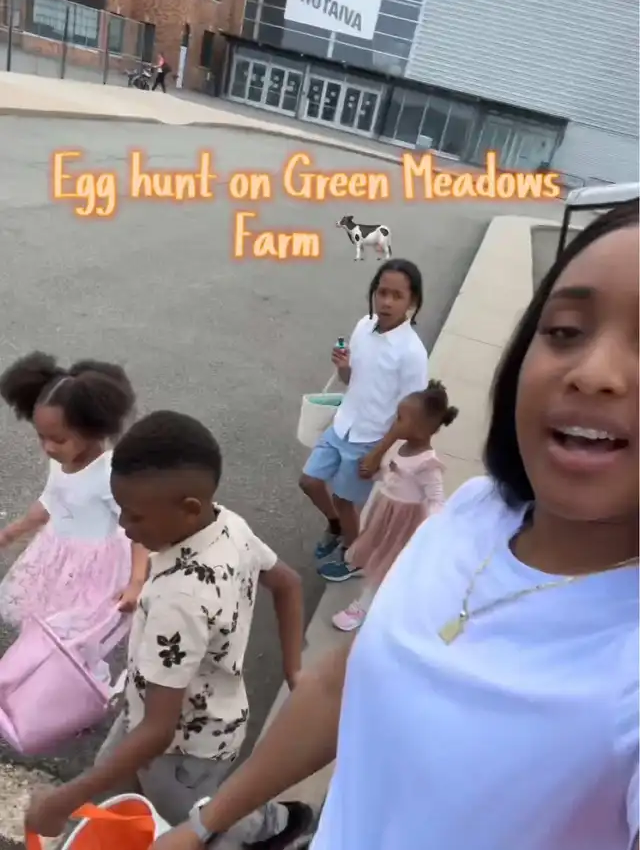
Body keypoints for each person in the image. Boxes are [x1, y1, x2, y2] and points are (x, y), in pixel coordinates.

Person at [145, 200, 639, 850]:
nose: (594, 373)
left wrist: (381, 446)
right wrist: (203, 824)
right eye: (566, 330)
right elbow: (340, 683)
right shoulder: (475, 511)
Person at [25, 410, 311, 847]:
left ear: (189, 509)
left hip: (184, 752)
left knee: (200, 820)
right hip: (172, 713)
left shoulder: (179, 601)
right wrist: (295, 672)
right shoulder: (228, 525)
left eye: (135, 517)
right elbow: (288, 584)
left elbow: (158, 732)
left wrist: (62, 800)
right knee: (116, 785)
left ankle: (271, 827)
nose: (124, 527)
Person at [299, 258, 428, 582]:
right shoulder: (363, 326)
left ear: (412, 301)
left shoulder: (412, 353)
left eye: (397, 296)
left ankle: (354, 558)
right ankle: (336, 526)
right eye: (382, 292)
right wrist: (343, 367)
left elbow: (410, 415)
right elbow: (351, 379)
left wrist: (378, 453)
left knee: (345, 501)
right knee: (309, 482)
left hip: (370, 439)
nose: (387, 302)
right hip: (342, 424)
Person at [0, 352, 148, 632]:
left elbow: (138, 529)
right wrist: (12, 532)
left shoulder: (109, 475)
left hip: (93, 565)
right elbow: (52, 499)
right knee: (45, 610)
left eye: (58, 439)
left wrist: (136, 581)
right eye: (41, 436)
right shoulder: (60, 461)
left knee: (79, 628)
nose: (48, 448)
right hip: (57, 549)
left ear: (94, 431)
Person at [332, 379, 457, 632]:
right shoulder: (403, 448)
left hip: (402, 522)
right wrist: (377, 474)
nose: (394, 423)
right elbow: (395, 478)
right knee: (380, 558)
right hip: (385, 513)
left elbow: (436, 498)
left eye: (400, 418)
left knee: (386, 562)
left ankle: (362, 607)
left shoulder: (427, 464)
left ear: (422, 427)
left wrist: (435, 527)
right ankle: (383, 597)